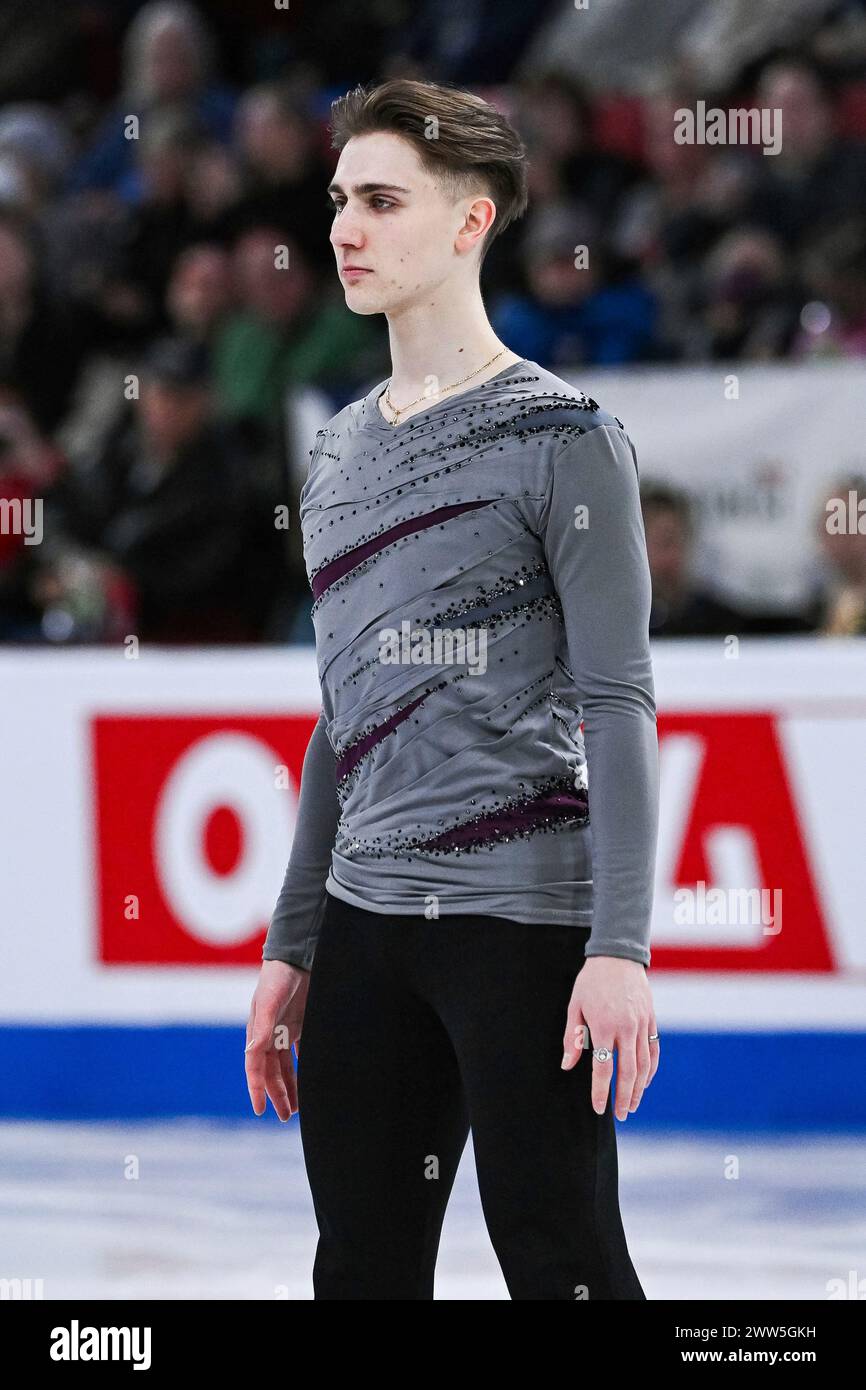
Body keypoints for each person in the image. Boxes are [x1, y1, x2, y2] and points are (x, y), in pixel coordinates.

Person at [245, 78, 660, 1301]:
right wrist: (294, 934)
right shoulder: (332, 449)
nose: (344, 231)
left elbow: (618, 701)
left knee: (563, 1264)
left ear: (471, 221)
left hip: (524, 926)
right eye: (337, 202)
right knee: (360, 1273)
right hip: (365, 931)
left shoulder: (562, 436)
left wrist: (621, 946)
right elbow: (344, 710)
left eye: (381, 201)